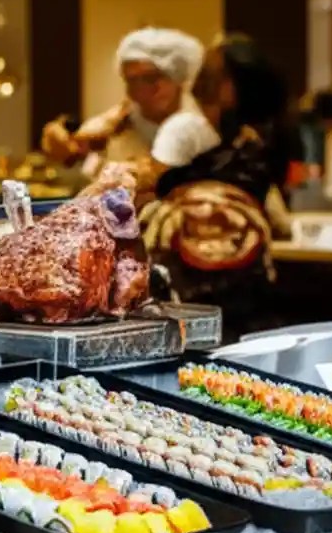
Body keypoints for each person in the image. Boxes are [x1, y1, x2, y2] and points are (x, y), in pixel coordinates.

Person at [136, 34, 295, 339]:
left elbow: (157, 182)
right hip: (233, 304)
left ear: (229, 88)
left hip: (209, 306)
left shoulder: (239, 151)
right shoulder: (251, 148)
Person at [41, 27, 203, 175]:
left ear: (179, 79)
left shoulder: (204, 128)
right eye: (132, 81)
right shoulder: (114, 128)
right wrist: (63, 147)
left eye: (151, 78)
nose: (141, 90)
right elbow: (74, 158)